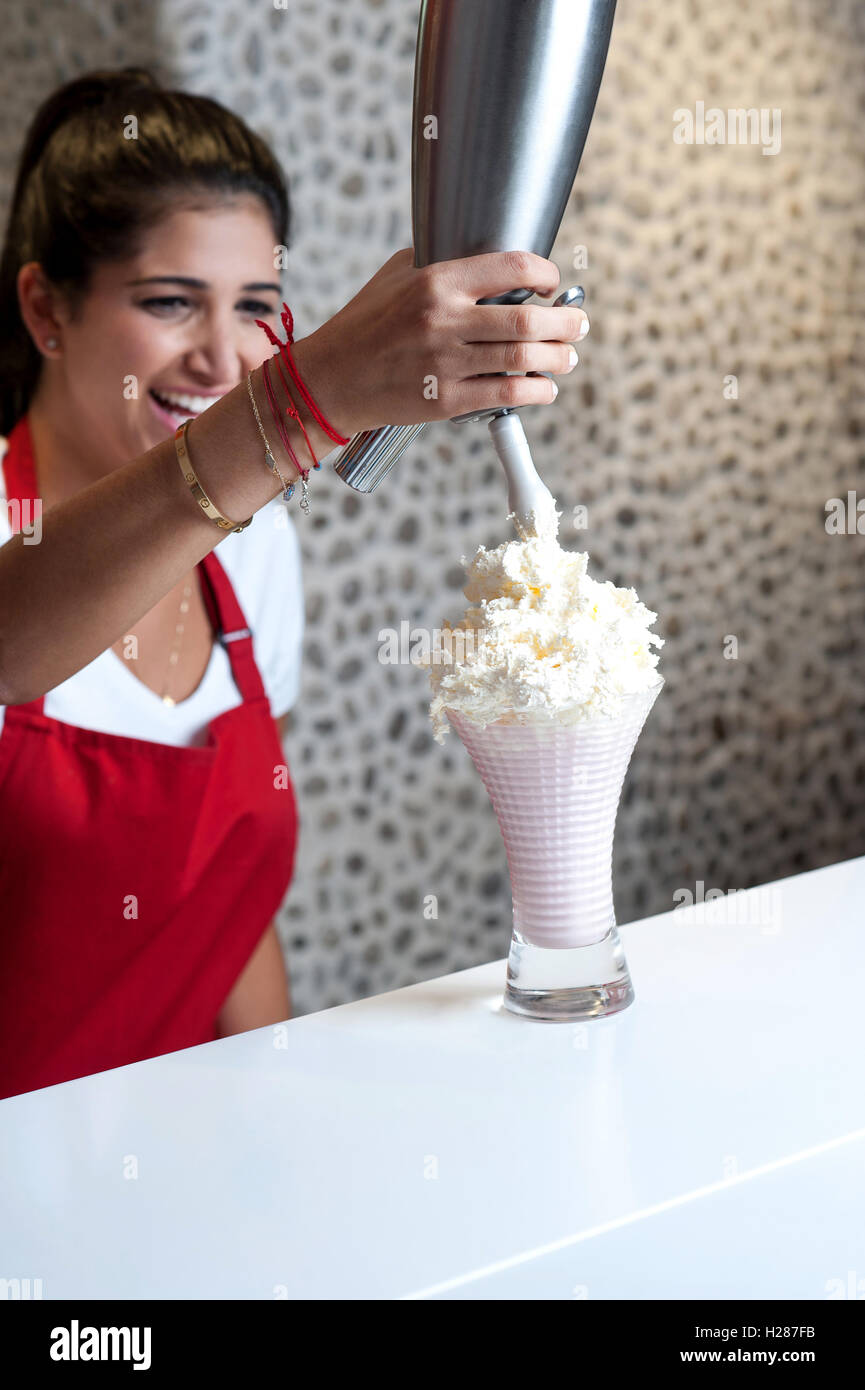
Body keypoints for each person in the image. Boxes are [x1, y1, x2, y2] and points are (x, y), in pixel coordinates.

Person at [0, 69, 588, 1101]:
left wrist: (273, 1118)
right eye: (170, 302)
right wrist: (303, 401)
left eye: (257, 310)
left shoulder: (252, 550)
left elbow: (223, 914)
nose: (222, 358)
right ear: (47, 308)